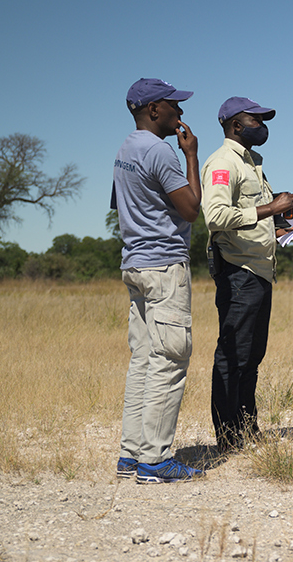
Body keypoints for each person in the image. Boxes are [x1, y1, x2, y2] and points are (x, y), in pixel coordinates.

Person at [202, 96, 293, 453]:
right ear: (236, 125)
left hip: (260, 270)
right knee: (232, 355)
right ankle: (228, 437)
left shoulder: (253, 164)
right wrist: (272, 206)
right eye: (256, 120)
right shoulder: (223, 163)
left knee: (251, 356)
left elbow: (254, 222)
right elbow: (215, 216)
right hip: (238, 271)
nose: (262, 127)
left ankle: (247, 429)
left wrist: (289, 230)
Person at [112, 78, 205, 483]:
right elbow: (191, 209)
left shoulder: (125, 149)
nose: (180, 112)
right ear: (153, 109)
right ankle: (155, 460)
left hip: (134, 263)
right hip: (165, 266)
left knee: (144, 359)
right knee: (170, 358)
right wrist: (191, 156)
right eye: (174, 105)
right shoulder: (160, 151)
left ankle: (130, 455)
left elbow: (122, 205)